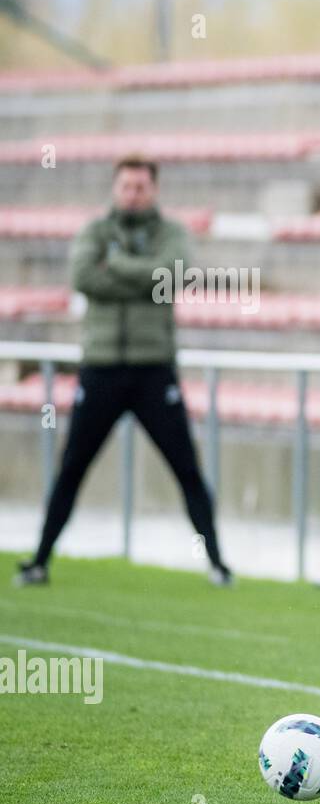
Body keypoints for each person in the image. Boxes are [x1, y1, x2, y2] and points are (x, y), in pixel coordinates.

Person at [14, 155, 231, 587]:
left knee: (186, 468)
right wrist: (144, 279)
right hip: (101, 369)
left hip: (154, 371)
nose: (133, 194)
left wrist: (116, 268)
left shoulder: (172, 233)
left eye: (141, 187)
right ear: (115, 189)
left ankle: (217, 563)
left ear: (155, 190)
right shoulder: (94, 231)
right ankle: (40, 560)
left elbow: (173, 276)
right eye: (126, 186)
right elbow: (82, 277)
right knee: (72, 467)